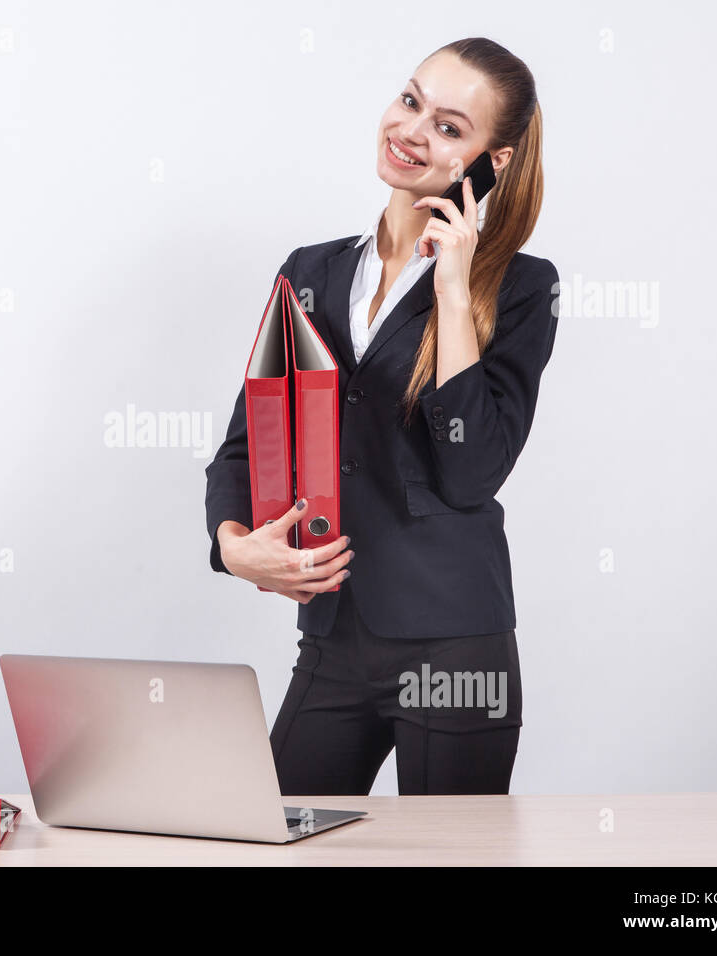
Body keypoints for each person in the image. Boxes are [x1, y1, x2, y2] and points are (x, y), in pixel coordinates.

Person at [203, 37, 561, 796]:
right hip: (335, 638)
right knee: (276, 834)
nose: (412, 130)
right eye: (410, 101)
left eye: (449, 127)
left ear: (490, 162)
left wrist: (456, 291)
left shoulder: (523, 288)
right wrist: (235, 548)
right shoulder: (310, 271)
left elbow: (470, 474)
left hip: (455, 646)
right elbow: (244, 446)